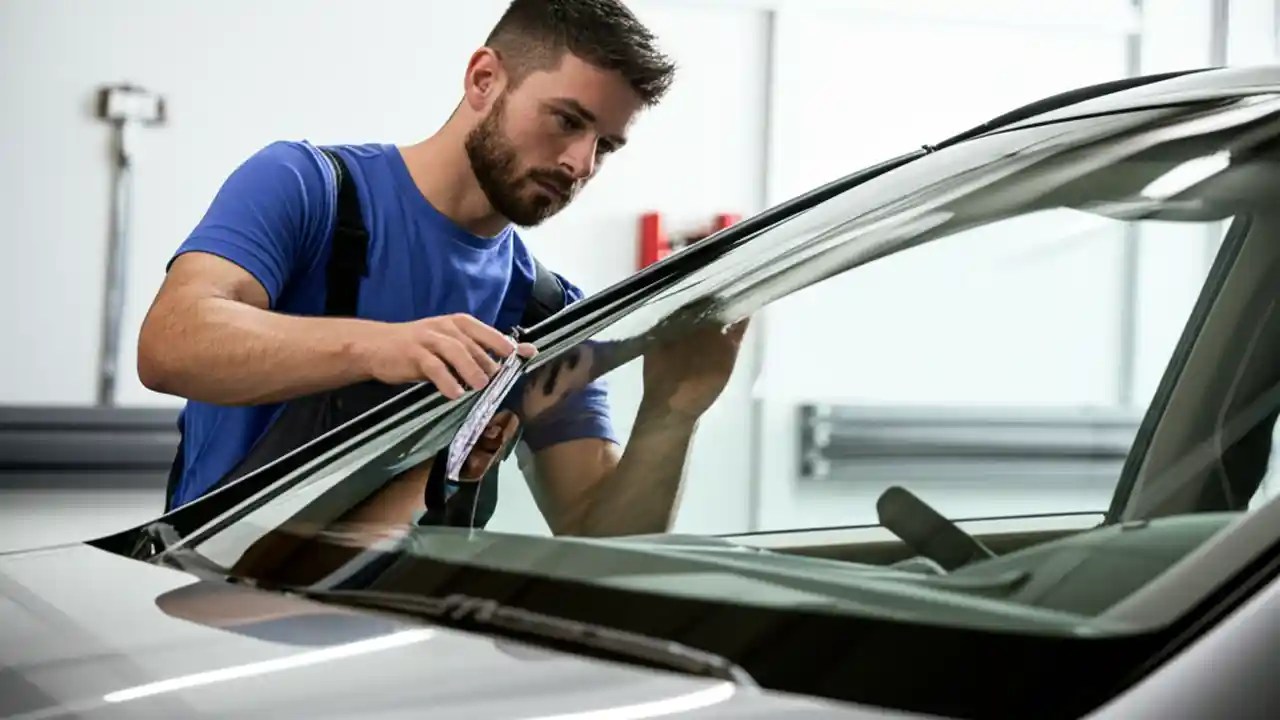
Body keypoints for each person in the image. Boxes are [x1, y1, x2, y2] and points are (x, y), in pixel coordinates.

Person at [137, 0, 746, 537]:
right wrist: (380, 349)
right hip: (219, 624)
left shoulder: (547, 312)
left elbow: (601, 540)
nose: (579, 163)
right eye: (567, 120)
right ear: (484, 79)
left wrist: (672, 409)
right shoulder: (306, 188)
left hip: (418, 646)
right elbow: (169, 344)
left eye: (605, 146)